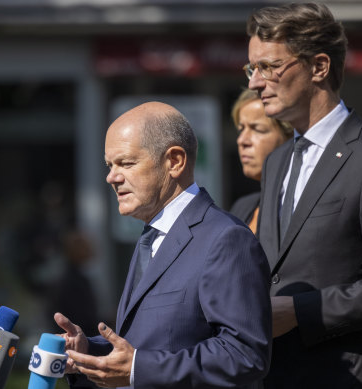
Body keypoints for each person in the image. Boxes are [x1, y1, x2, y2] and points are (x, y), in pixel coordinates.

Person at [53, 101, 272, 388]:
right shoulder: (153, 234)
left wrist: (136, 369)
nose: (112, 177)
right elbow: (149, 343)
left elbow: (244, 355)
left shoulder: (226, 238)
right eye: (110, 165)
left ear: (174, 161)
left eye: (126, 163)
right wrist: (90, 353)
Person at [245, 3, 362, 387]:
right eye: (252, 69)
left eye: (269, 67)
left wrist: (302, 311)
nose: (255, 82)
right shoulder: (277, 162)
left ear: (319, 67)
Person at [229, 88, 292, 233]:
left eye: (257, 129)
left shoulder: (301, 206)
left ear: (289, 136)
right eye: (241, 129)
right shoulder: (242, 207)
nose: (242, 140)